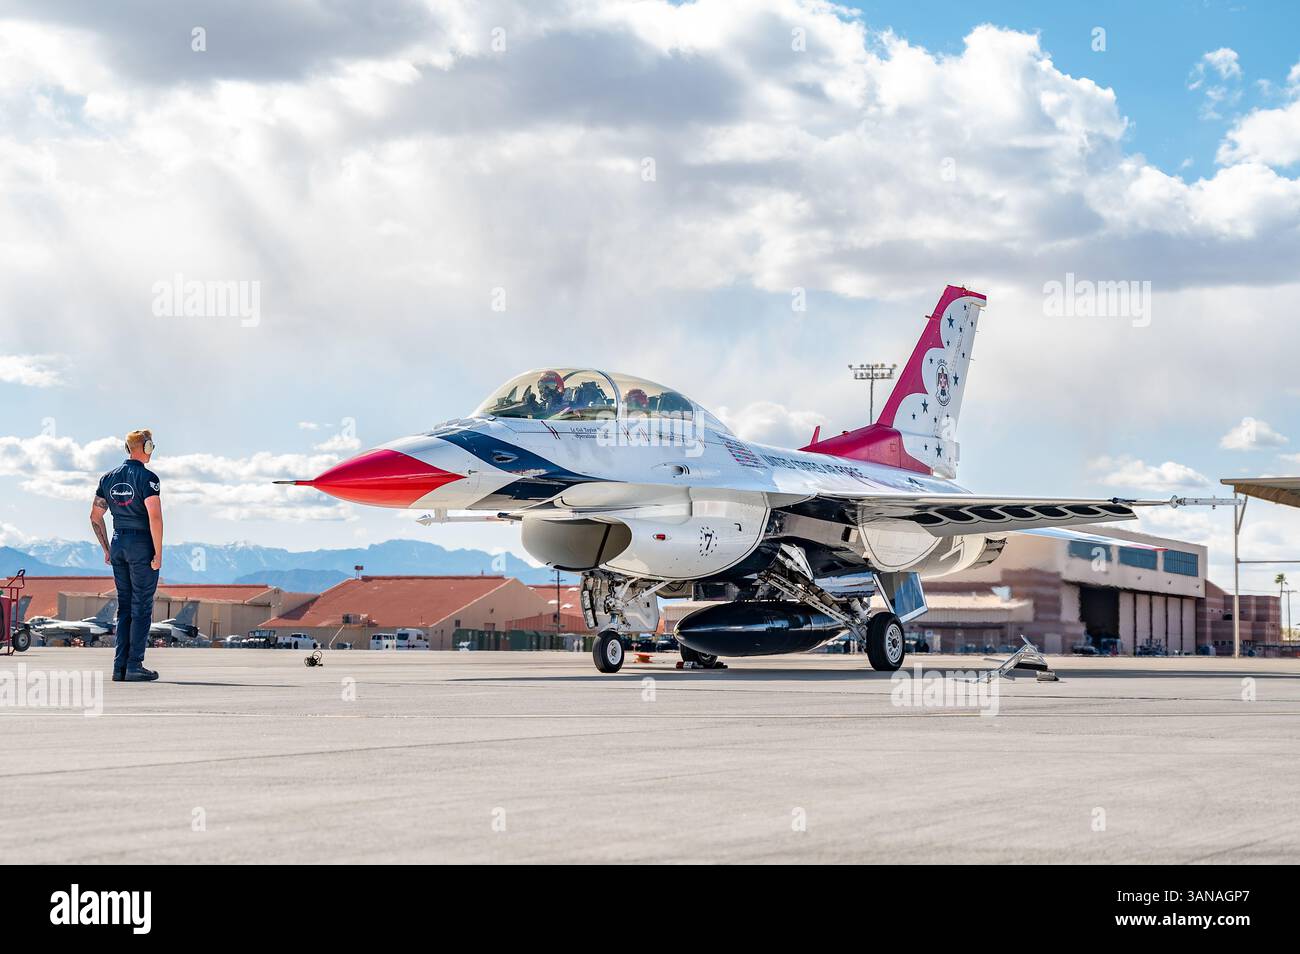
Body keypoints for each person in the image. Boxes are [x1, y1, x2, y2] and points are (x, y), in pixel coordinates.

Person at [90, 429, 163, 682]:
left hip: (118, 541)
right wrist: (158, 553)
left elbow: (95, 516)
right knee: (142, 607)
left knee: (124, 608)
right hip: (141, 544)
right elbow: (154, 516)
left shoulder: (107, 478)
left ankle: (119, 667)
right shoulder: (149, 478)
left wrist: (107, 550)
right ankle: (134, 665)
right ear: (147, 447)